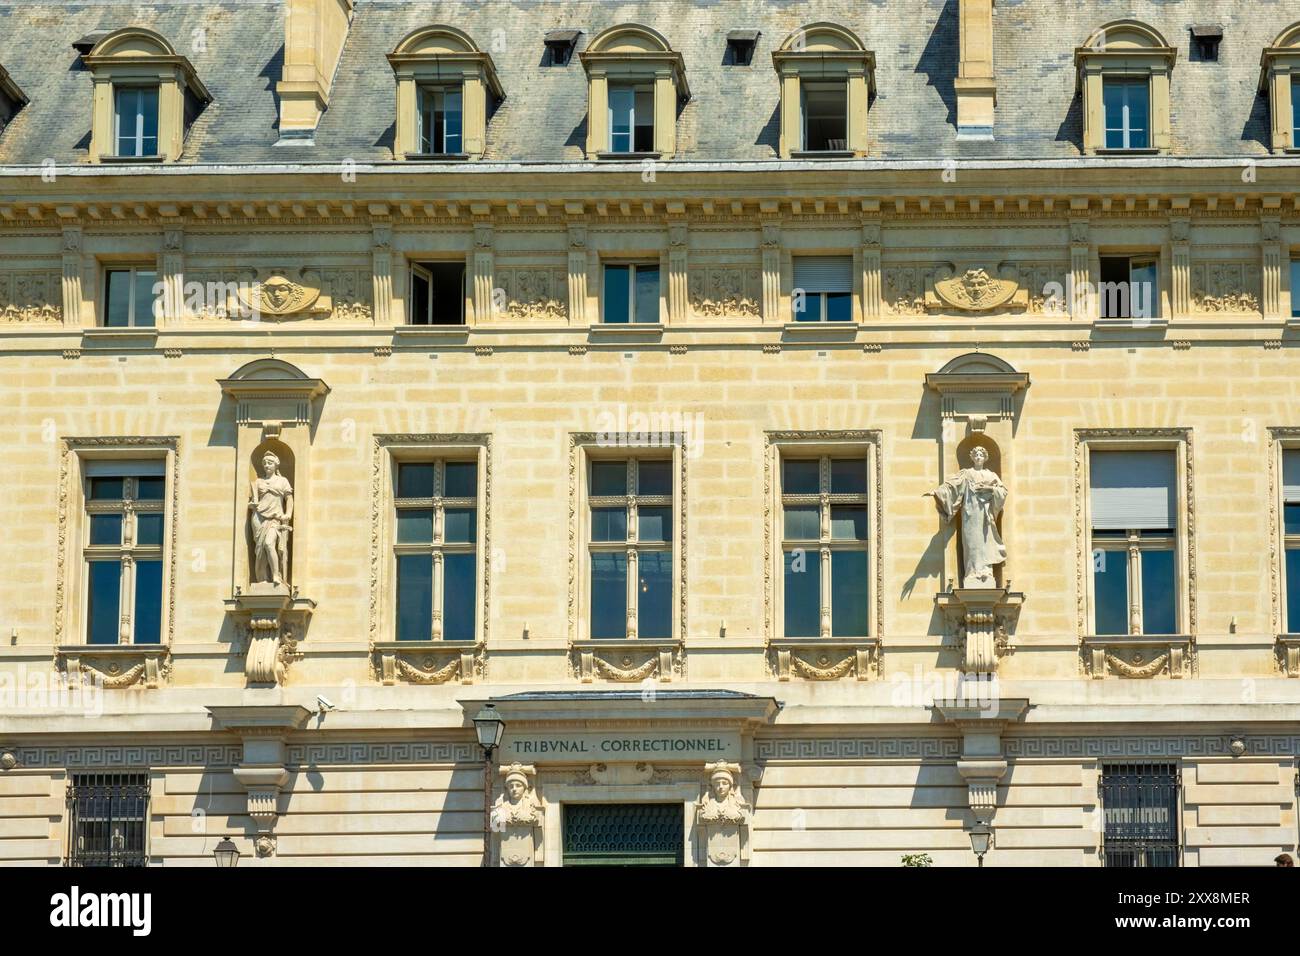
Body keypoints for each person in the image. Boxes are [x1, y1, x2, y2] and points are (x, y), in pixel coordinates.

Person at [926, 445, 1007, 588]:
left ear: (985, 458)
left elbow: (1003, 492)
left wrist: (989, 488)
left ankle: (986, 572)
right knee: (972, 542)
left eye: (981, 455)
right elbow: (951, 486)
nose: (978, 457)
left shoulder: (991, 475)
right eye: (976, 455)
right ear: (972, 458)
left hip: (985, 516)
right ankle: (972, 572)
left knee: (985, 542)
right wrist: (937, 493)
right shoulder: (966, 474)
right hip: (970, 515)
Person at [249, 451, 293, 586]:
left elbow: (289, 498)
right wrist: (252, 504)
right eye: (265, 463)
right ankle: (262, 578)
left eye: (270, 463)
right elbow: (254, 500)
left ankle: (276, 575)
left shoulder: (282, 481)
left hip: (275, 519)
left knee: (269, 544)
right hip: (258, 517)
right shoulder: (258, 482)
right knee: (259, 548)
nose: (267, 465)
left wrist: (288, 514)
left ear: (276, 465)